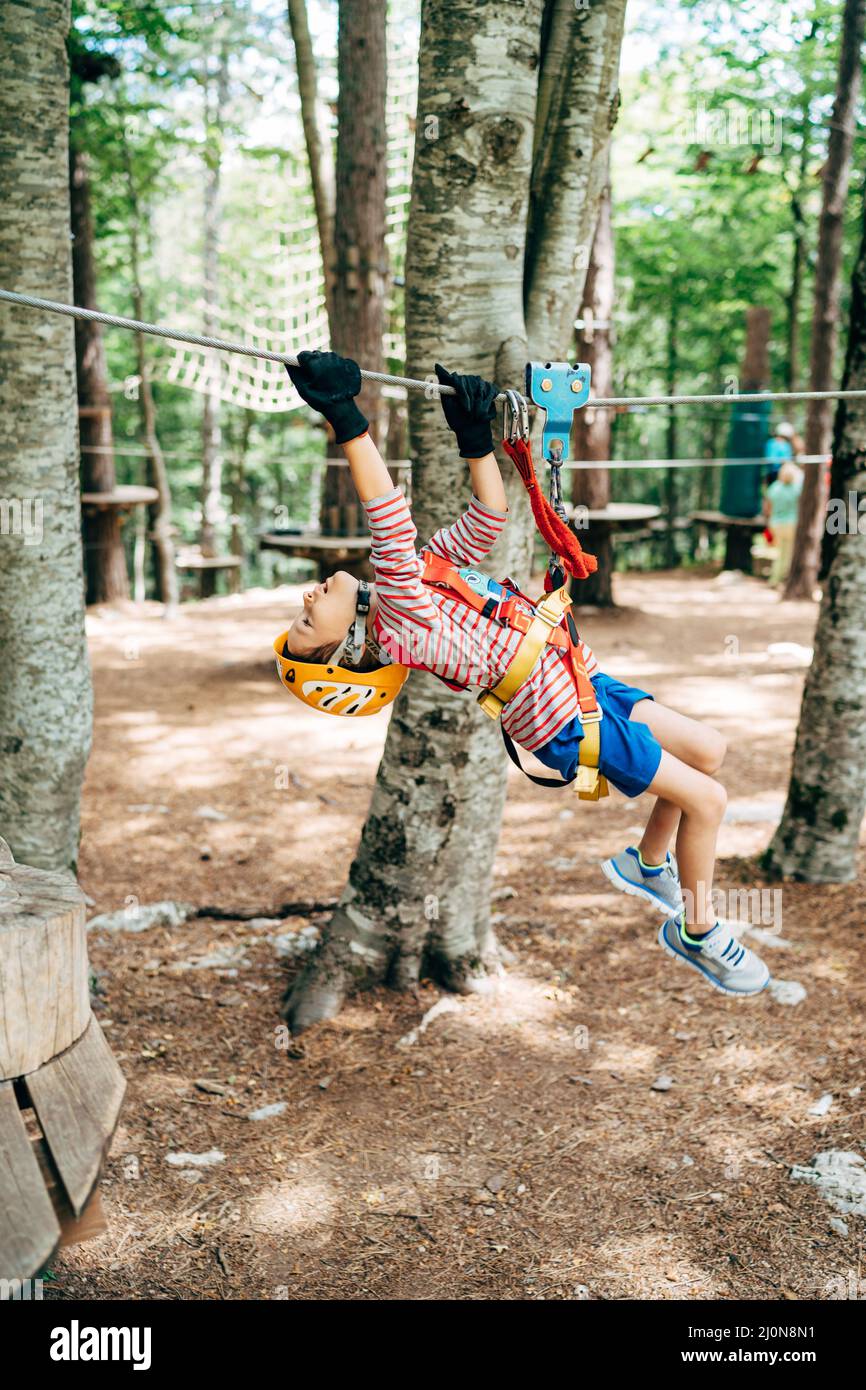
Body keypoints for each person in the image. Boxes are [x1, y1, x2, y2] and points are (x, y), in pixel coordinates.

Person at [278, 350, 770, 998]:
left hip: (580, 680)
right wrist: (347, 418)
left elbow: (487, 519)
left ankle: (650, 865)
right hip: (564, 721)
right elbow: (387, 521)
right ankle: (698, 930)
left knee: (711, 751)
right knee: (708, 800)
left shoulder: (421, 579)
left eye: (302, 612)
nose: (309, 602)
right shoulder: (399, 620)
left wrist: (474, 437)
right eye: (309, 625)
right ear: (347, 652)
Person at [763, 460, 804, 587]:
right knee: (789, 553)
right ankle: (784, 579)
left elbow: (767, 508)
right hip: (792, 523)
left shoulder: (774, 487)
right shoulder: (797, 489)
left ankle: (775, 579)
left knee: (778, 552)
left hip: (776, 523)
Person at [763, 419, 796, 485]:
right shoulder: (785, 445)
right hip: (781, 475)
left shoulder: (770, 442)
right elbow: (787, 462)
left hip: (768, 473)